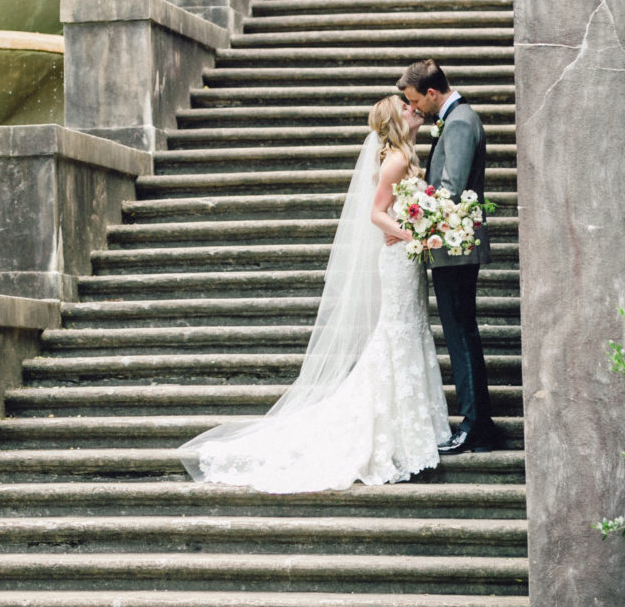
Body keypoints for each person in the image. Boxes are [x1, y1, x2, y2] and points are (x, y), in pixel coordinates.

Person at [180, 95, 450, 492]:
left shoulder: (404, 157)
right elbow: (376, 213)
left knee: (409, 332)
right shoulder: (394, 161)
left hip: (406, 259)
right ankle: (392, 428)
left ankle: (412, 425)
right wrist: (414, 236)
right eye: (405, 107)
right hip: (398, 260)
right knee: (397, 333)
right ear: (396, 120)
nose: (414, 109)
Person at [396, 58, 498, 454]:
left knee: (460, 334)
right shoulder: (457, 118)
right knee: (461, 332)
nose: (415, 108)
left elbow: (450, 192)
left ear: (432, 93)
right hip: (453, 246)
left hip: (454, 246)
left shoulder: (457, 123)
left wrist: (412, 207)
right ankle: (479, 423)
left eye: (415, 100)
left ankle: (476, 425)